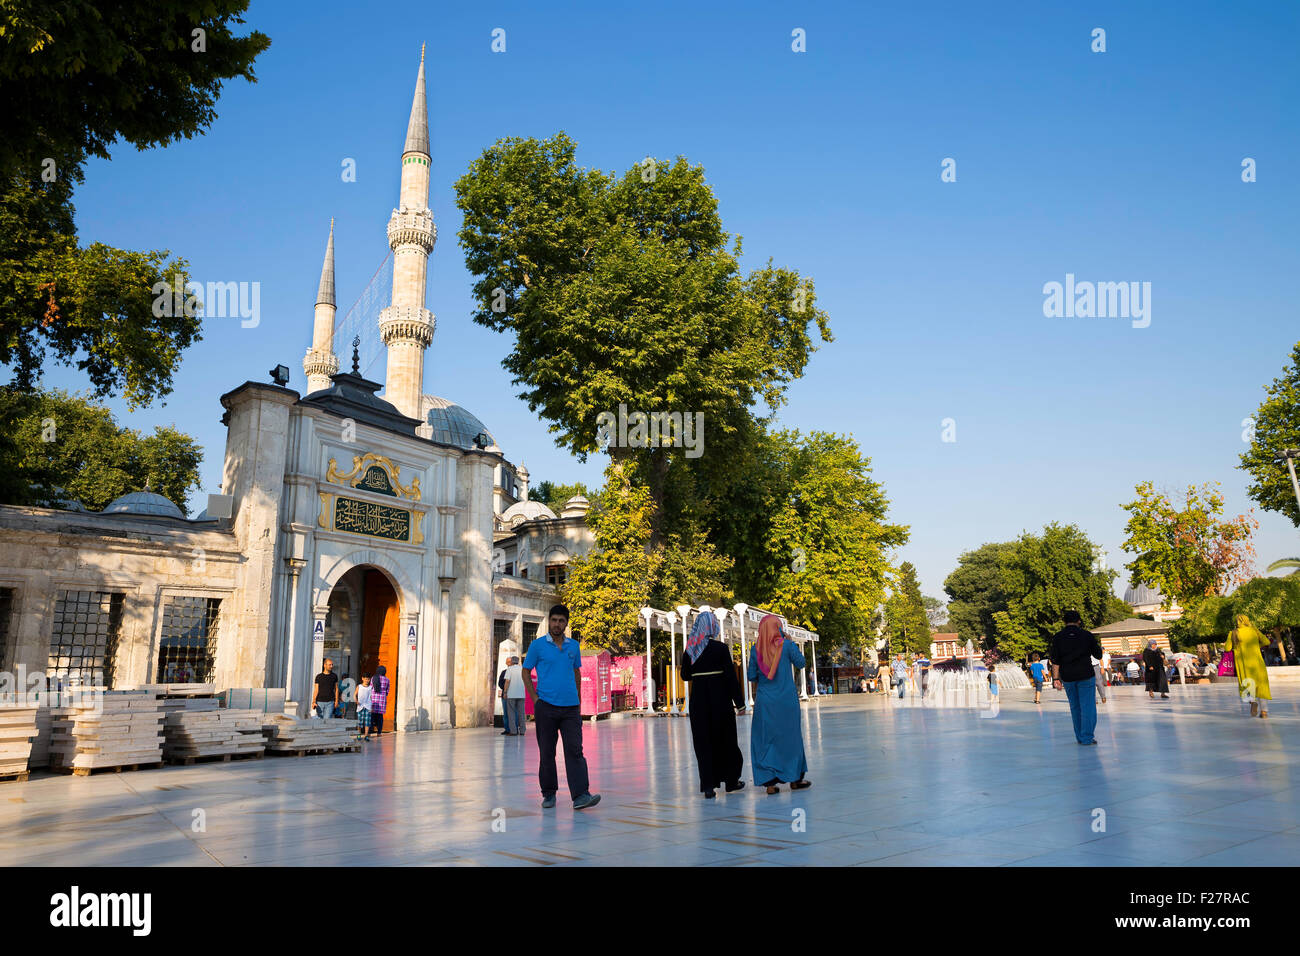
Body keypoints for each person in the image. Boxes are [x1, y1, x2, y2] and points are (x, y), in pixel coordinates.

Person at [519, 605, 601, 810]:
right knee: (547, 752)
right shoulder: (537, 646)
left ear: (566, 623)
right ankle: (548, 794)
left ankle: (581, 795)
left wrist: (579, 700)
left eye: (561, 621)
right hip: (545, 707)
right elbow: (525, 672)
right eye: (554, 620)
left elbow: (576, 673)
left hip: (571, 708)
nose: (557, 624)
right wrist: (536, 699)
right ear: (549, 621)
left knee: (575, 750)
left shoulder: (573, 646)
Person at [680, 610, 746, 799]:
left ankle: (708, 786)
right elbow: (731, 678)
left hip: (699, 702)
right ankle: (731, 782)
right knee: (726, 741)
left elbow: (685, 675)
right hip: (720, 702)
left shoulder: (690, 650)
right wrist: (740, 704)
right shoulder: (720, 648)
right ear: (711, 626)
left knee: (703, 743)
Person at [747, 615, 810, 794]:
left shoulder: (755, 650)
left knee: (766, 739)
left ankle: (770, 783)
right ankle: (795, 779)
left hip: (765, 702)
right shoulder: (787, 646)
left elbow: (751, 676)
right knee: (790, 738)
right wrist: (790, 642)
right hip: (786, 700)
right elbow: (801, 663)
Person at [1049, 610, 1105, 745]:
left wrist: (1056, 679)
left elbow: (1055, 661)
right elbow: (1098, 655)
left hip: (1068, 676)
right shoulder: (1086, 635)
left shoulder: (1058, 637)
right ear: (1079, 621)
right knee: (1088, 707)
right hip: (1085, 674)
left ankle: (1080, 736)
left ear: (1064, 622)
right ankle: (1087, 737)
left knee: (1075, 707)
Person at [1226, 614, 1272, 718]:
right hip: (1257, 663)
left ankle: (1252, 702)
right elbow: (1266, 641)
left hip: (1243, 664)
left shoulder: (1233, 633)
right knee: (1261, 687)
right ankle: (1264, 711)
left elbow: (1227, 649)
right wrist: (1256, 646)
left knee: (1247, 685)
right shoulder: (1254, 630)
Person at [502, 655, 527, 735]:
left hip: (511, 694)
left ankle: (513, 731)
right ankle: (522, 731)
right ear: (518, 661)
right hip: (521, 694)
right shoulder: (522, 669)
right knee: (521, 713)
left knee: (511, 713)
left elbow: (507, 681)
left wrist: (505, 692)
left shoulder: (510, 669)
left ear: (512, 662)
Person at [371, 664, 390, 733]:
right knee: (380, 716)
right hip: (382, 700)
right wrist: (383, 695)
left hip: (374, 700)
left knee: (372, 715)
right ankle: (379, 732)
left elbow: (371, 687)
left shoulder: (374, 678)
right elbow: (387, 691)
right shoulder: (387, 680)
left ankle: (371, 730)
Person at [355, 674, 374, 740]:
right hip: (360, 706)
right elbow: (355, 695)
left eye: (368, 679)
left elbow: (371, 697)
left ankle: (366, 735)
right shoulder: (359, 686)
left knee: (367, 722)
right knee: (359, 722)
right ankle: (359, 734)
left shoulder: (370, 687)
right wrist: (356, 701)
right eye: (365, 679)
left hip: (368, 706)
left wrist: (372, 707)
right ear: (362, 678)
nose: (367, 680)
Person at [498, 661, 512, 735]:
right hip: (506, 695)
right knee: (506, 713)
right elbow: (500, 683)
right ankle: (507, 729)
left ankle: (513, 729)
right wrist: (505, 688)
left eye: (510, 662)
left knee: (513, 713)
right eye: (508, 662)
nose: (509, 663)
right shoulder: (504, 672)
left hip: (511, 694)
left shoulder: (516, 672)